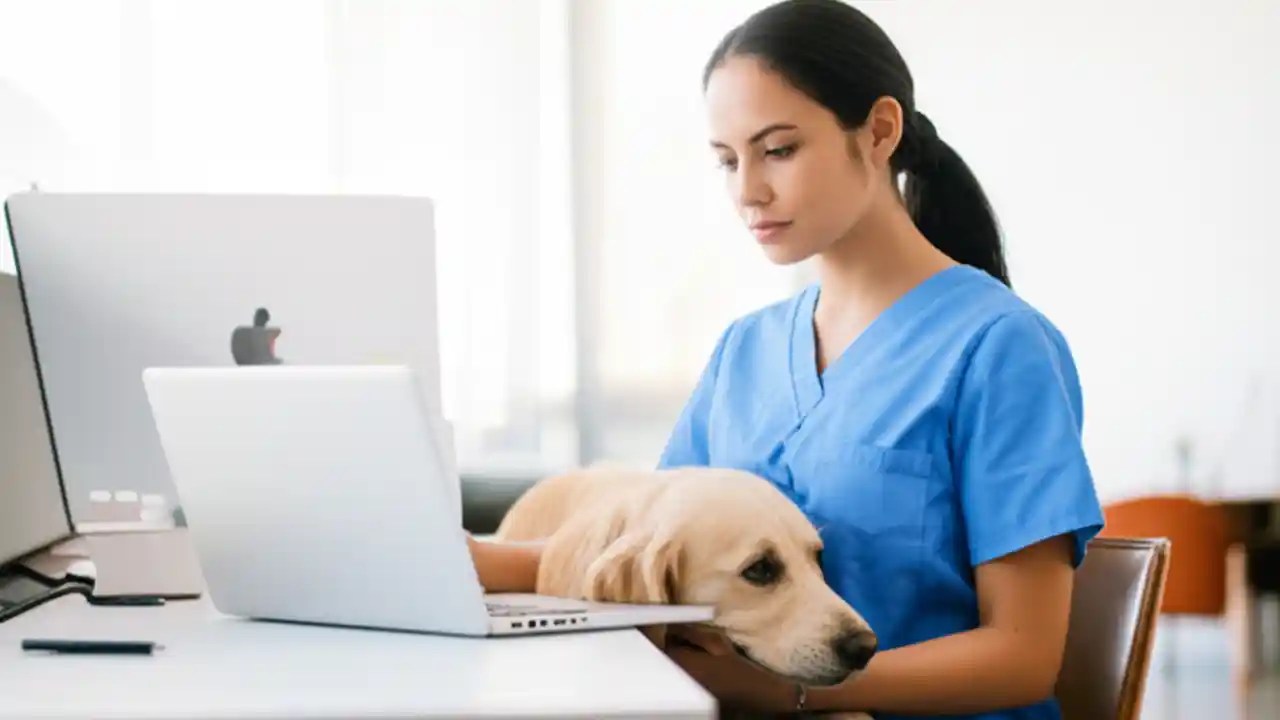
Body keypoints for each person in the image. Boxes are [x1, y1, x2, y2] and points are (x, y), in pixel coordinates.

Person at [468, 1, 1104, 717]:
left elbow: (1022, 658)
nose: (748, 191)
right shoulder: (746, 350)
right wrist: (464, 558)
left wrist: (787, 690)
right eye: (727, 160)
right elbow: (652, 555)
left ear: (880, 132)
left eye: (778, 150)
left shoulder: (1000, 347)